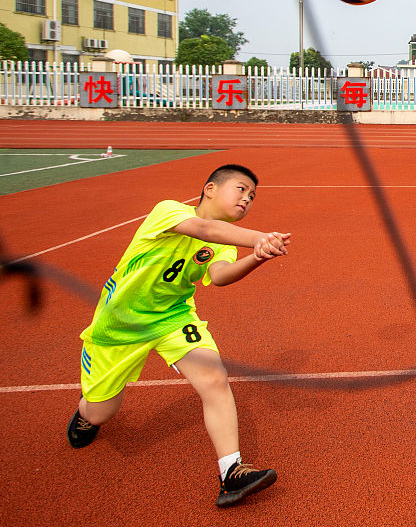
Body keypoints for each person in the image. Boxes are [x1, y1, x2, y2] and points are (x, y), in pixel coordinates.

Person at [67, 164, 292, 507]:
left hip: (172, 318)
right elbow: (204, 228)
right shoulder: (169, 210)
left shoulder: (224, 245)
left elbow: (220, 276)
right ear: (210, 189)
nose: (247, 199)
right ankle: (85, 414)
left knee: (214, 378)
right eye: (241, 189)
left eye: (252, 196)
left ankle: (231, 473)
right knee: (100, 412)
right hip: (119, 325)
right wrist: (260, 237)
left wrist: (257, 257)